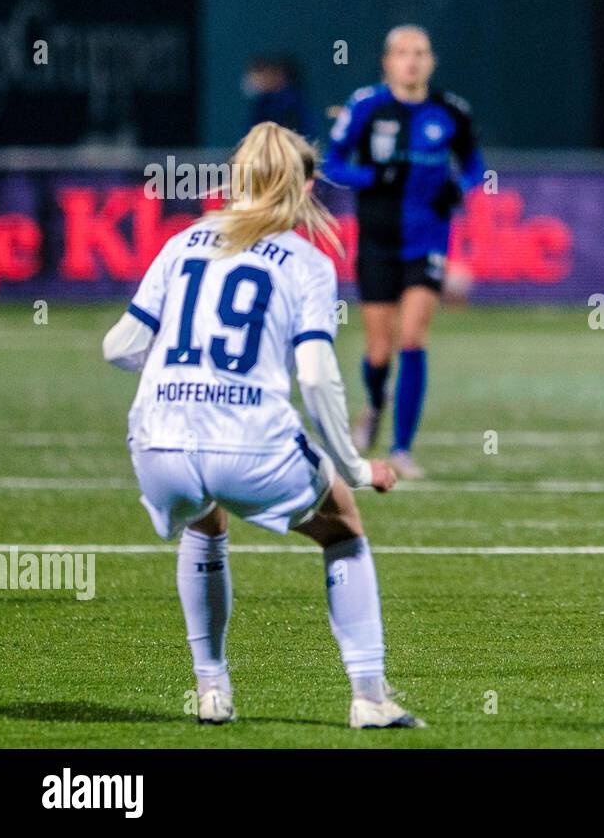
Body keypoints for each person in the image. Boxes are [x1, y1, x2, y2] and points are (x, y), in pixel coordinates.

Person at [102, 121, 423, 728]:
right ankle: (371, 698)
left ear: (236, 176)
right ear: (305, 184)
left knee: (205, 518)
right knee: (342, 528)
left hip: (158, 439)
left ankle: (212, 690)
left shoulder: (183, 242)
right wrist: (354, 466)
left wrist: (179, 369)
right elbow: (318, 376)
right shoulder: (306, 261)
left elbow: (117, 346)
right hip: (247, 442)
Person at [323, 25, 485, 479]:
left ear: (431, 61)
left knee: (412, 338)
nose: (411, 61)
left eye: (420, 53)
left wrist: (460, 187)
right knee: (378, 351)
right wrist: (374, 178)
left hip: (428, 241)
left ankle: (401, 448)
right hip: (377, 240)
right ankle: (375, 404)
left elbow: (475, 166)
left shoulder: (451, 111)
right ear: (387, 62)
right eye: (402, 53)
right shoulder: (366, 107)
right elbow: (331, 164)